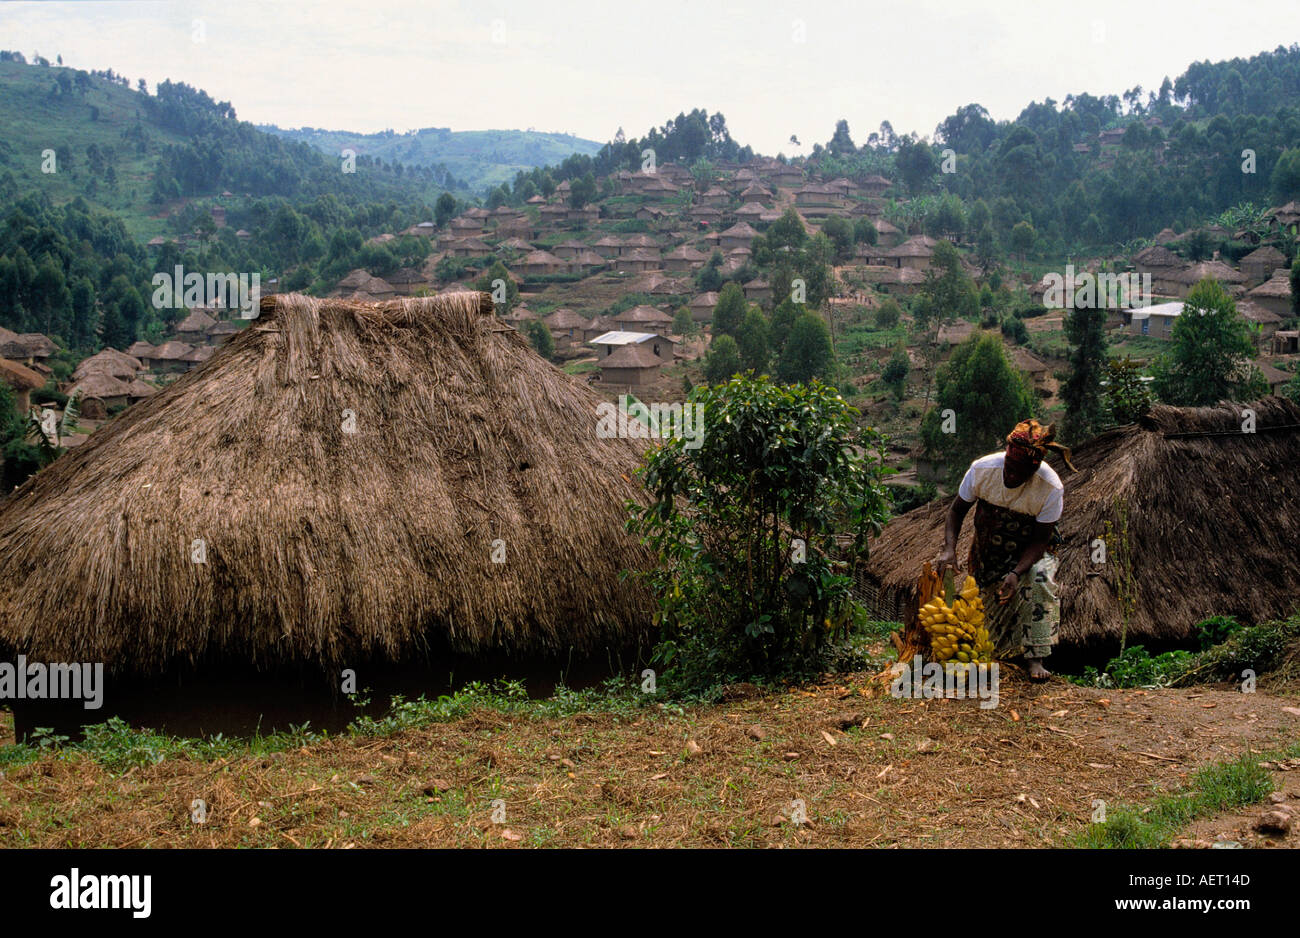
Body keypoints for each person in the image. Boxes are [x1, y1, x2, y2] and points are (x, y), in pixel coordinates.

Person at [935, 419, 1075, 681]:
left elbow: (1040, 540)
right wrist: (949, 549)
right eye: (1009, 467)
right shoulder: (983, 470)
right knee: (978, 624)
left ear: (1033, 470)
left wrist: (1016, 571)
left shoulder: (1050, 488)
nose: (1011, 475)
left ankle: (1036, 657)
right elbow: (956, 511)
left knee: (1040, 578)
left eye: (1020, 471)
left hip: (1032, 554)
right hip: (987, 552)